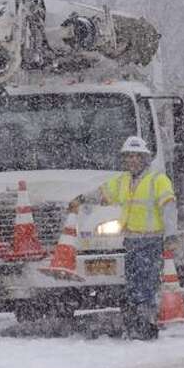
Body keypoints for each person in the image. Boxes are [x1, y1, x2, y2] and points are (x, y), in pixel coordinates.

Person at [73, 135, 177, 340]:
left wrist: (171, 235)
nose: (132, 161)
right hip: (130, 241)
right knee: (132, 284)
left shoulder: (158, 180)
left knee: (145, 285)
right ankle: (134, 323)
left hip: (150, 241)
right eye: (128, 157)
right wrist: (81, 198)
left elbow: (168, 208)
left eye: (136, 157)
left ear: (145, 159)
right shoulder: (122, 182)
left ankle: (146, 325)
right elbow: (102, 193)